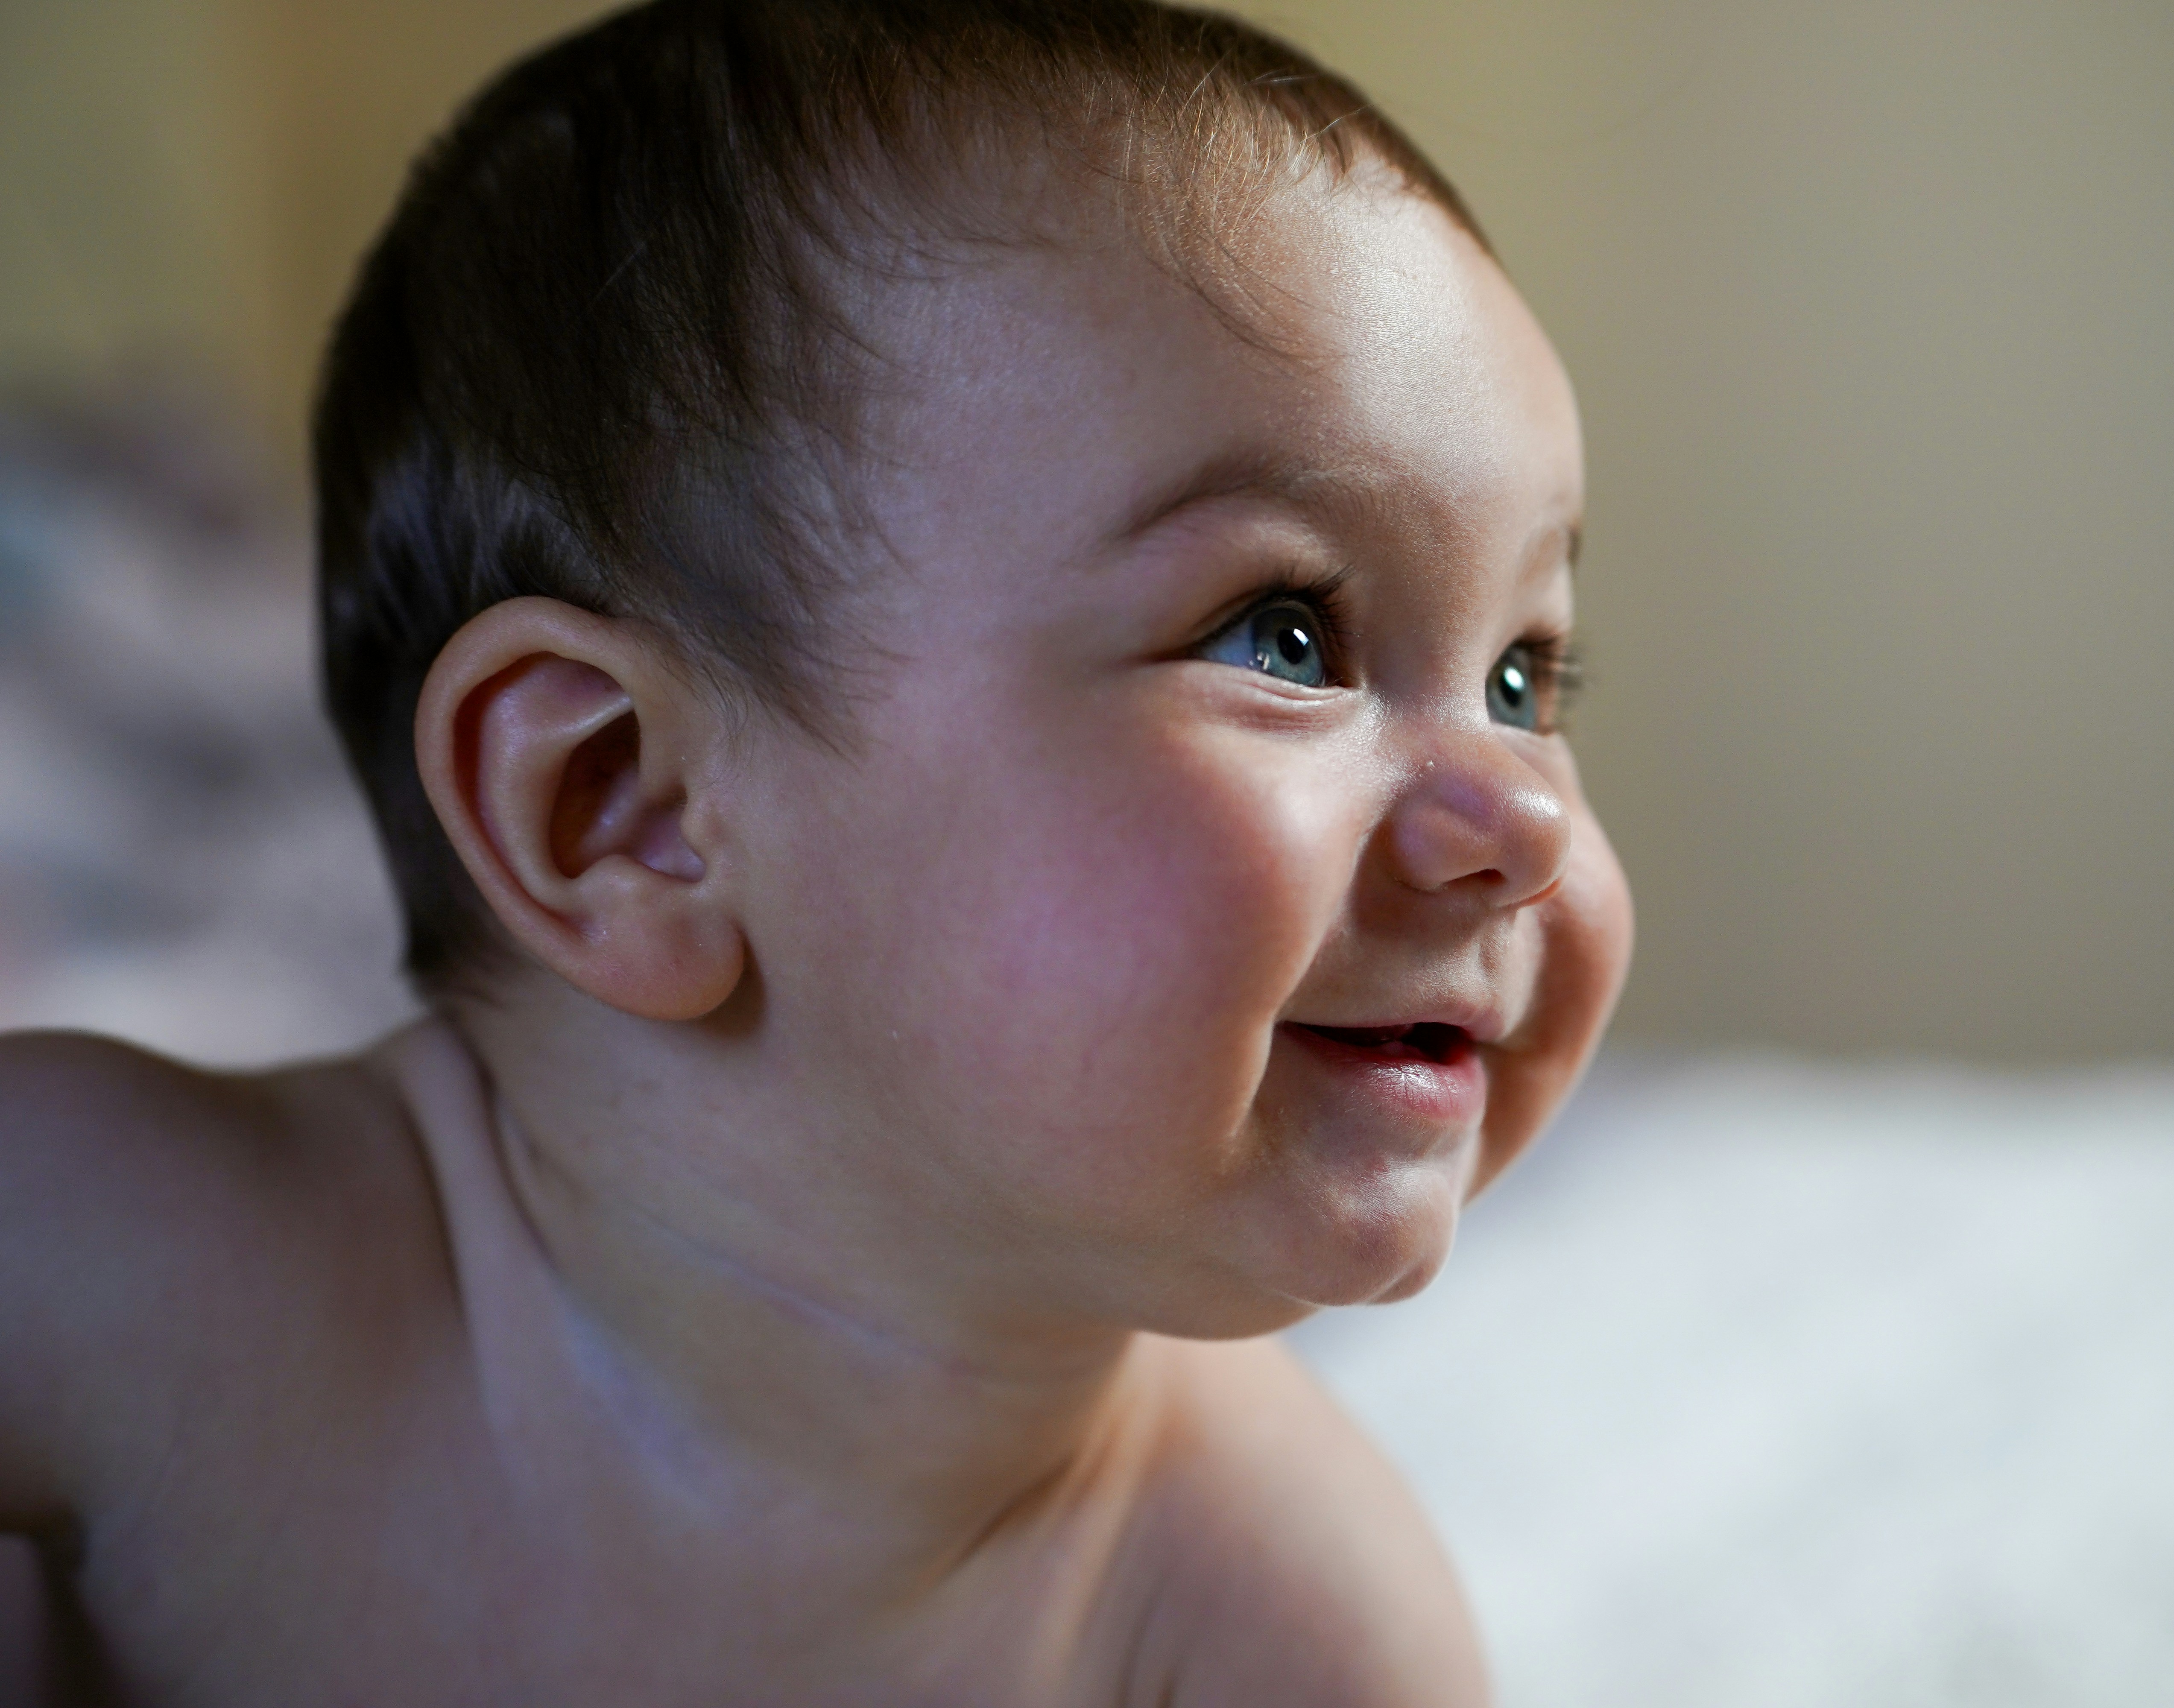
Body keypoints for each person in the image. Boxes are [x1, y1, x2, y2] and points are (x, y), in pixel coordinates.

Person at [0, 0, 1632, 1699]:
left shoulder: (1270, 1622)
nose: (1530, 816)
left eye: (1528, 678)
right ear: (625, 810)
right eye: (1284, 636)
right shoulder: (110, 1264)